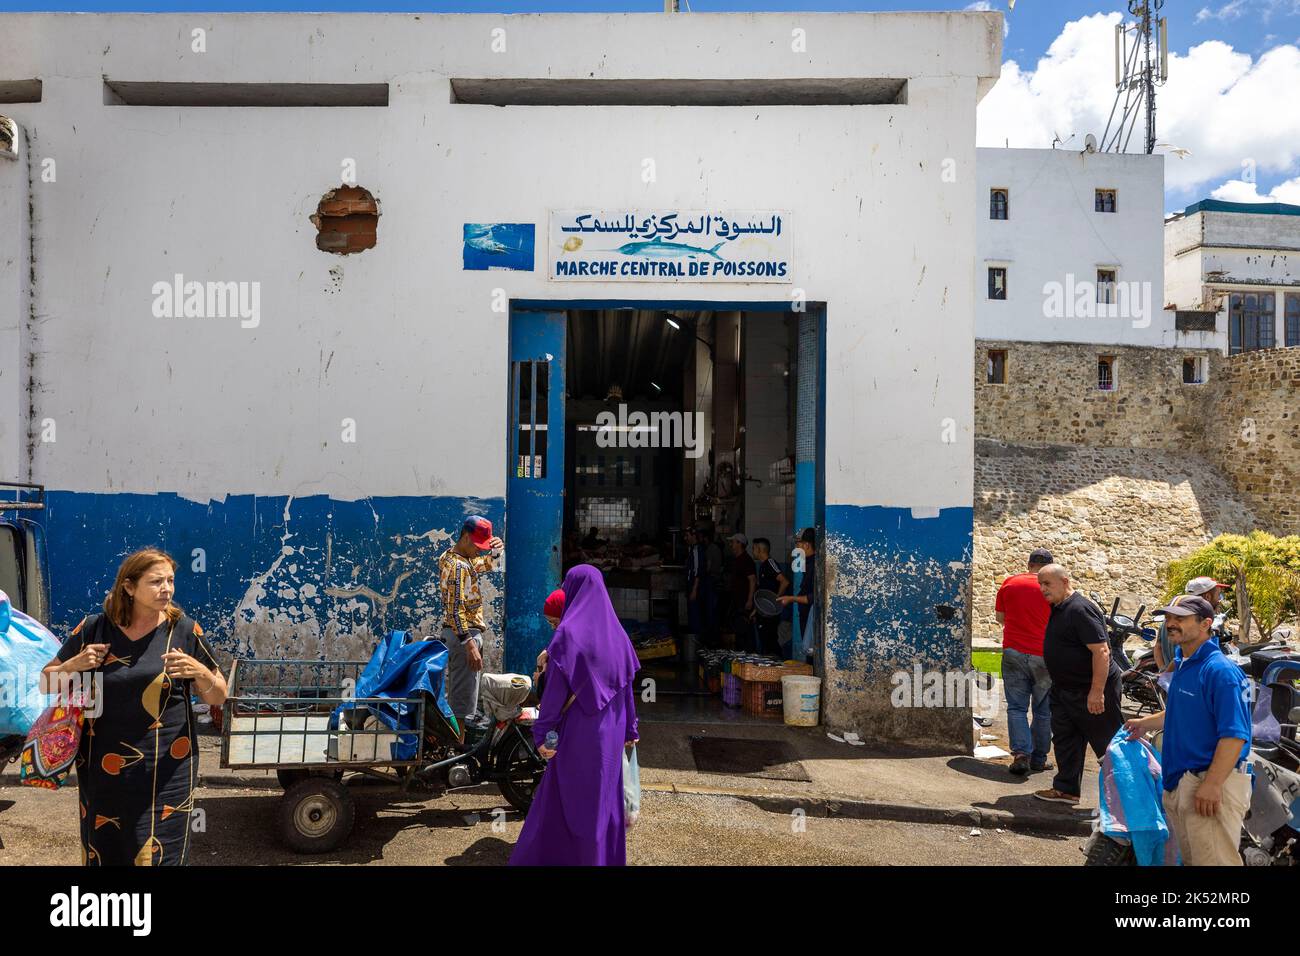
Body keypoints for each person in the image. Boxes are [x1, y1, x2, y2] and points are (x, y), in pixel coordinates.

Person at [40, 548, 227, 866]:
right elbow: (47, 682)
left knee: (160, 851)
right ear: (129, 587)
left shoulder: (183, 630)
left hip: (167, 768)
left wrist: (198, 671)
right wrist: (75, 663)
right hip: (102, 768)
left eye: (170, 580)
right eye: (156, 582)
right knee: (107, 847)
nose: (166, 589)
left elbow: (219, 697)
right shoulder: (93, 629)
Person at [510, 564, 640, 866]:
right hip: (612, 731)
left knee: (566, 799)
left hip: (581, 731)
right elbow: (626, 687)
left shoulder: (567, 635)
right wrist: (630, 729)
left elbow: (554, 694)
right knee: (602, 800)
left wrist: (542, 734)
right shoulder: (619, 635)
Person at [1125, 596, 1252, 866]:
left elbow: (1234, 734)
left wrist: (1213, 784)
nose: (1170, 624)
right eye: (1168, 618)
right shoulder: (1185, 663)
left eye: (1180, 618)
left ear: (1206, 623)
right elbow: (1181, 712)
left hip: (1209, 782)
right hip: (1182, 782)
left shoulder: (1220, 670)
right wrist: (1144, 723)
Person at [1032, 563, 1123, 805]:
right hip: (1065, 690)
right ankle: (1066, 790)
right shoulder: (1059, 606)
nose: (1042, 589)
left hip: (1089, 690)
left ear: (1064, 581)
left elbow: (1101, 651)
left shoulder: (1080, 609)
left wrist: (1096, 692)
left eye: (1047, 584)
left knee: (1109, 746)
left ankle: (1127, 800)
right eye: (1040, 584)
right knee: (1065, 739)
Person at [995, 548, 1055, 776]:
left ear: (1029, 563)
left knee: (1017, 707)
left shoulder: (1010, 583)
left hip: (1013, 651)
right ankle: (1039, 758)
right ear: (1050, 565)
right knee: (1043, 710)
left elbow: (1000, 618)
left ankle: (1021, 754)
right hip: (1044, 655)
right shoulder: (1052, 587)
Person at [437, 515, 503, 720]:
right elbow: (455, 608)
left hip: (460, 635)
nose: (479, 550)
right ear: (465, 537)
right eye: (477, 545)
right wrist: (470, 644)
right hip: (464, 637)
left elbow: (485, 564)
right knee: (463, 706)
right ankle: (459, 748)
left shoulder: (453, 557)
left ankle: (458, 745)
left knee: (462, 698)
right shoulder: (459, 567)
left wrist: (495, 552)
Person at [1154, 577, 1228, 672]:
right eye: (1219, 595)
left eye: (1179, 618)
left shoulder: (1217, 669)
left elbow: (1159, 647)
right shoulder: (1202, 628)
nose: (1170, 624)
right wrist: (1166, 676)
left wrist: (1164, 672)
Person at [777, 527, 817, 660]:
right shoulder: (808, 563)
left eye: (798, 544)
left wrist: (791, 598)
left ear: (806, 545)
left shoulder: (815, 566)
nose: (796, 547)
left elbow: (812, 597)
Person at [752, 538, 789, 657]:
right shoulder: (762, 566)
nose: (752, 551)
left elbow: (785, 582)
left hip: (771, 612)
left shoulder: (770, 563)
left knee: (771, 642)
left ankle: (776, 666)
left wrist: (775, 601)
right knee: (765, 642)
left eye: (753, 548)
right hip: (763, 611)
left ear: (759, 549)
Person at [725, 534, 757, 650]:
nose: (731, 545)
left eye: (733, 542)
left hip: (744, 602)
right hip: (738, 601)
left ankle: (748, 655)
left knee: (745, 630)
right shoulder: (737, 560)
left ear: (739, 544)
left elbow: (752, 580)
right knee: (739, 630)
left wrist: (749, 600)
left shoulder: (746, 560)